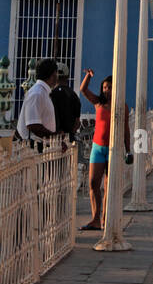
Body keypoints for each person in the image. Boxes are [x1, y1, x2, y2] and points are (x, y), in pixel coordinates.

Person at [78, 69, 129, 231]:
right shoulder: (98, 102)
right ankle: (95, 218)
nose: (107, 90)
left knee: (108, 186)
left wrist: (129, 151)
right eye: (105, 87)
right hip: (97, 148)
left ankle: (105, 219)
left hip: (113, 149)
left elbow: (126, 129)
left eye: (110, 87)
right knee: (93, 183)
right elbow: (83, 90)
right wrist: (89, 76)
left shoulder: (122, 106)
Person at [18, 59, 59, 145]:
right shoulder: (37, 93)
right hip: (34, 146)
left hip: (43, 145)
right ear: (53, 75)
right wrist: (54, 138)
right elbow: (33, 125)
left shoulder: (43, 92)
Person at [51, 68, 82, 143]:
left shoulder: (51, 94)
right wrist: (71, 133)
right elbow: (77, 122)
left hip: (53, 138)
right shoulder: (74, 95)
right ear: (67, 77)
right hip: (69, 138)